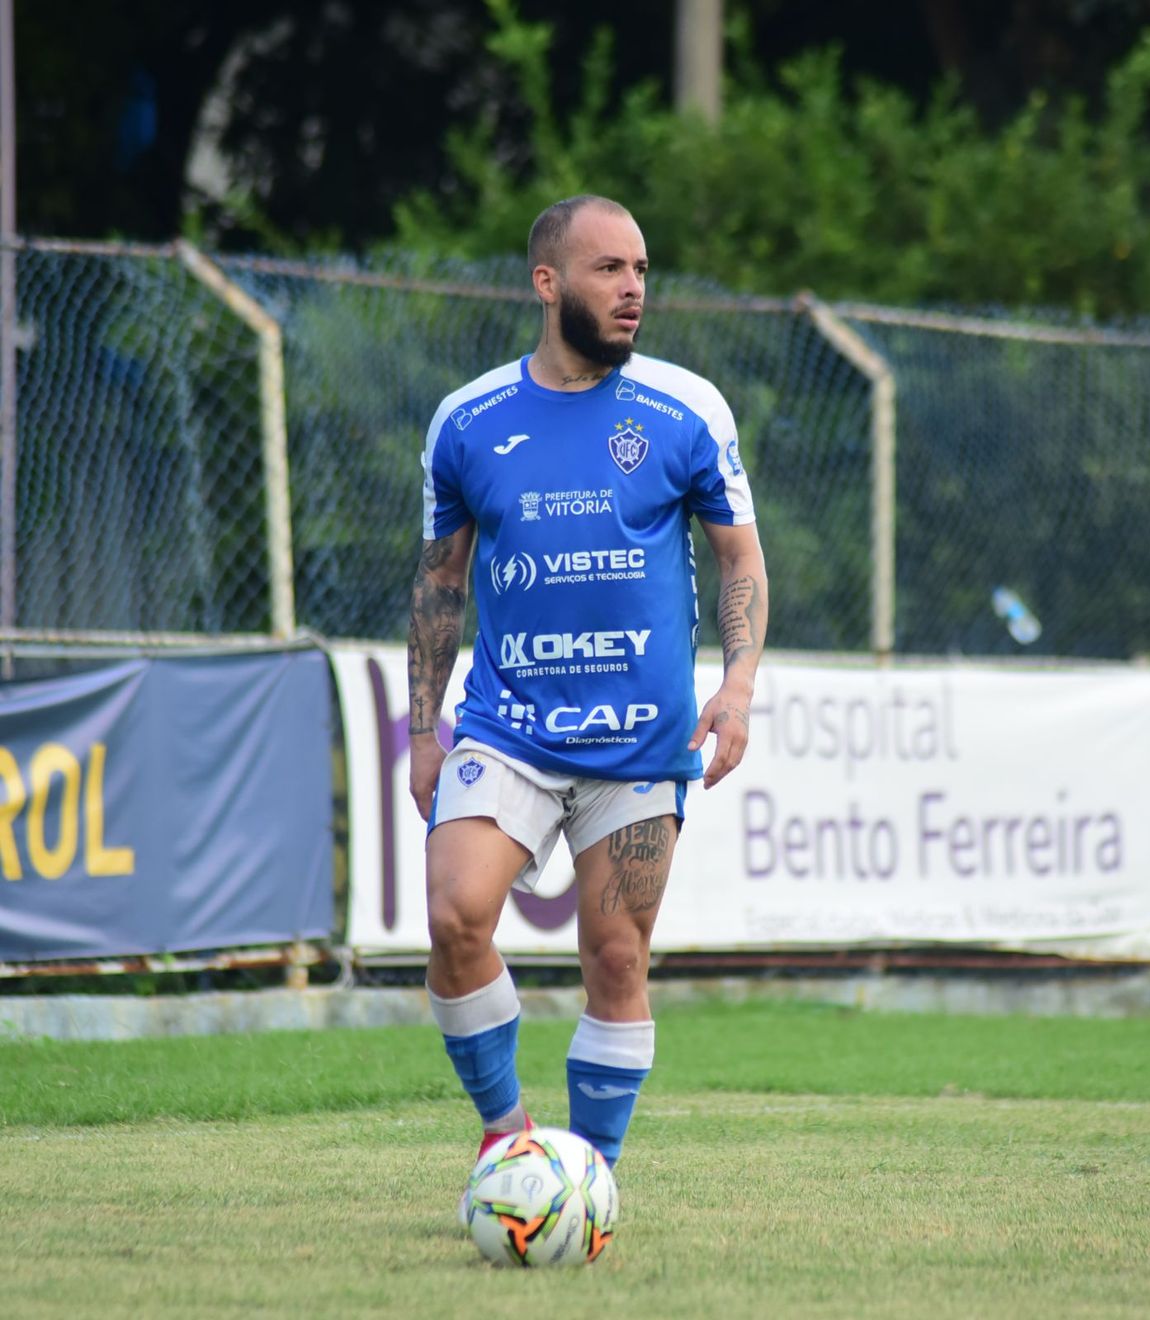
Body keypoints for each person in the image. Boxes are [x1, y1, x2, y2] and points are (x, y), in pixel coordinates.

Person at [406, 194, 768, 1202]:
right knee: (454, 915)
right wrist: (424, 727)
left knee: (615, 955)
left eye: (643, 270)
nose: (634, 290)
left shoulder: (685, 410)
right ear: (547, 282)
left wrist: (737, 687)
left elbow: (738, 556)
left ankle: (587, 1183)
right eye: (609, 269)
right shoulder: (469, 422)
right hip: (509, 728)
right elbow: (440, 581)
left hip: (640, 745)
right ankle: (508, 1139)